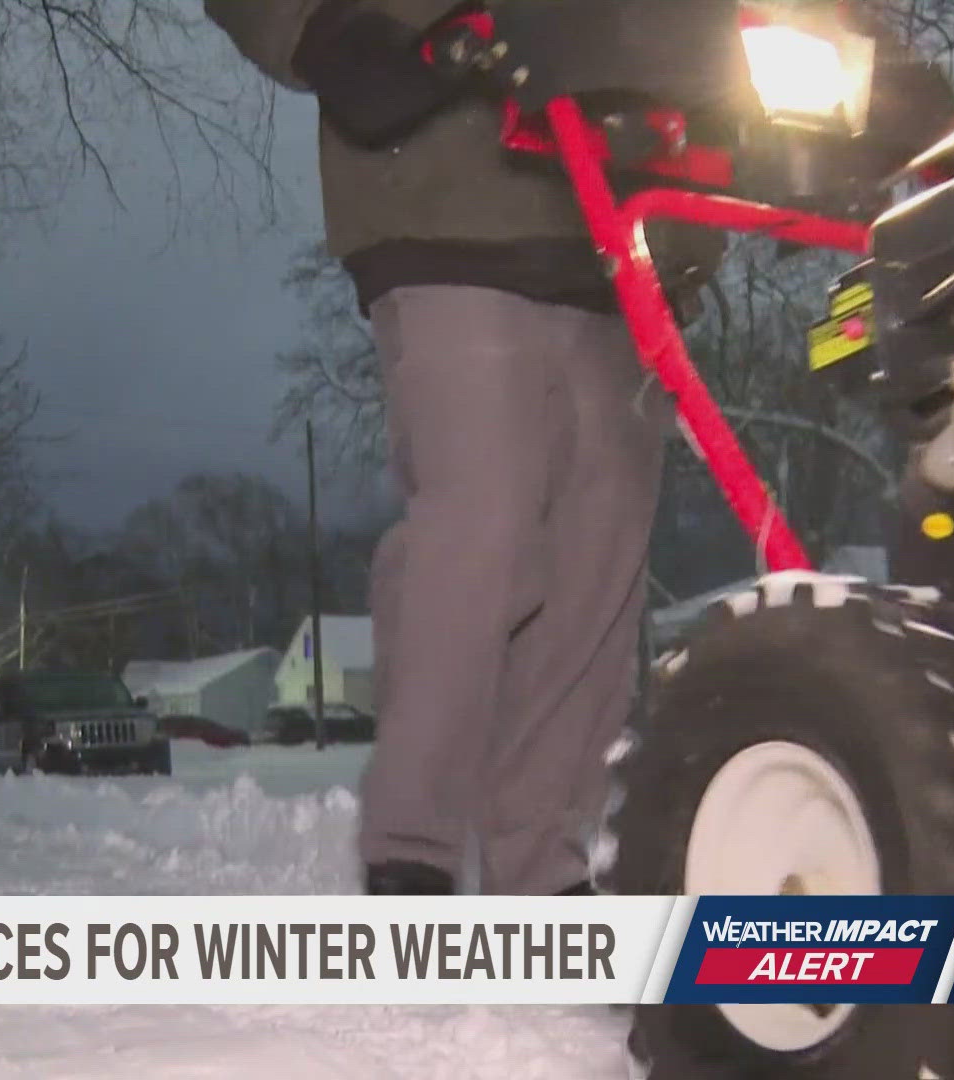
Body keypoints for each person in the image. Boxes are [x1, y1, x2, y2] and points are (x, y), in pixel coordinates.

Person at [201, 0, 724, 896]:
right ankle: (414, 846)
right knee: (482, 522)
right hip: (447, 173)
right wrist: (318, 29)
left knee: (598, 560)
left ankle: (546, 867)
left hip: (631, 206)